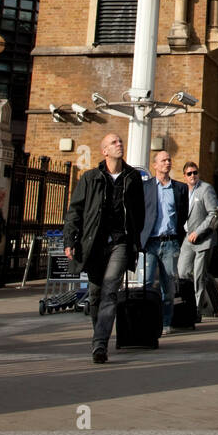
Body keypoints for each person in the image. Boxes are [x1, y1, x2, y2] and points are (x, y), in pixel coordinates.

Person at [63, 132, 146, 363]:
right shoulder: (90, 178)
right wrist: (70, 240)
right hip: (94, 244)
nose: (119, 144)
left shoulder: (133, 177)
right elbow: (75, 211)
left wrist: (134, 238)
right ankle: (99, 335)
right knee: (96, 294)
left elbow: (139, 212)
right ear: (105, 151)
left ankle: (100, 344)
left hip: (120, 242)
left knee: (110, 289)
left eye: (120, 141)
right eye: (113, 142)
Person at [140, 150, 188, 336]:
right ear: (155, 165)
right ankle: (145, 320)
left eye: (169, 160)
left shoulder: (179, 188)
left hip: (170, 242)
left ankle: (166, 322)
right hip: (150, 242)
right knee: (147, 283)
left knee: (168, 286)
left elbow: (183, 212)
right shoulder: (146, 187)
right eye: (163, 160)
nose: (167, 163)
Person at [177, 159, 218, 320]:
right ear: (184, 176)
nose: (193, 176)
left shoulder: (205, 189)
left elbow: (214, 213)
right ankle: (200, 297)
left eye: (195, 172)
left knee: (198, 275)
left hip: (203, 239)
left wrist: (199, 231)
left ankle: (197, 309)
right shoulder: (183, 190)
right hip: (187, 238)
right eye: (189, 173)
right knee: (182, 271)